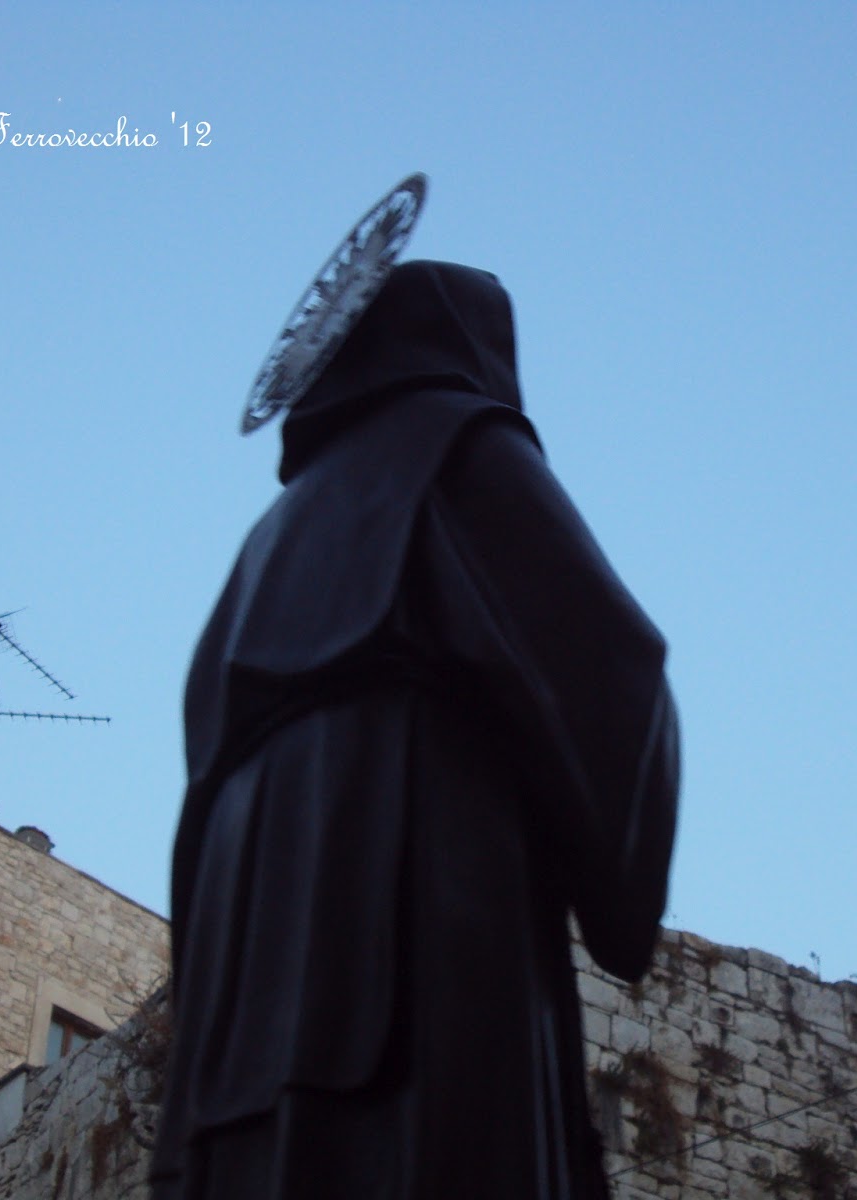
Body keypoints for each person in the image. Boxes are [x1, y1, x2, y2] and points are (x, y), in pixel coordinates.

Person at [151, 259, 680, 1199]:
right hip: (406, 859)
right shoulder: (458, 442)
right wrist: (616, 879)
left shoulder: (269, 539)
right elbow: (607, 662)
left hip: (248, 924)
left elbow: (197, 795)